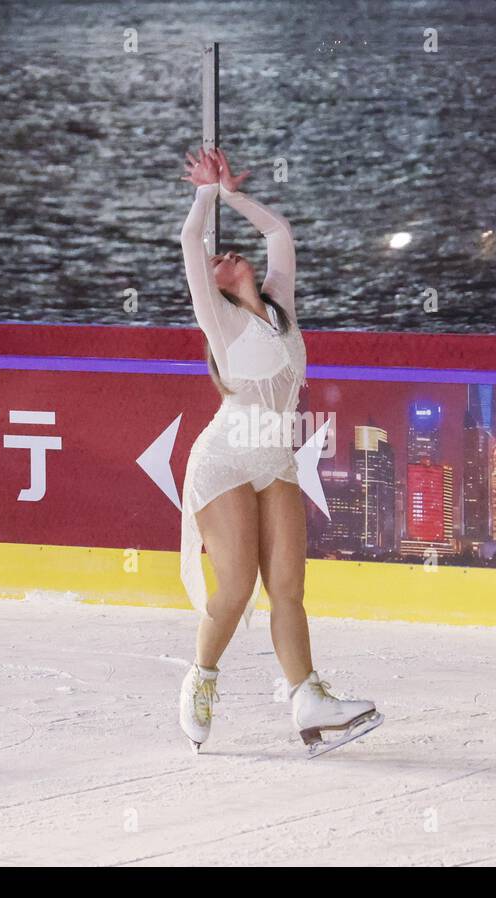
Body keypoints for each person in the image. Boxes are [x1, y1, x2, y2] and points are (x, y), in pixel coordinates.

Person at [176, 146, 382, 756]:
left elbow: (278, 230)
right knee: (236, 586)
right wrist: (205, 194)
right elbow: (190, 241)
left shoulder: (280, 308)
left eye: (228, 253)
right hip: (225, 456)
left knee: (288, 588)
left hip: (276, 458)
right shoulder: (218, 321)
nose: (224, 255)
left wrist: (233, 192)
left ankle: (308, 700)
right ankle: (201, 678)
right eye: (217, 260)